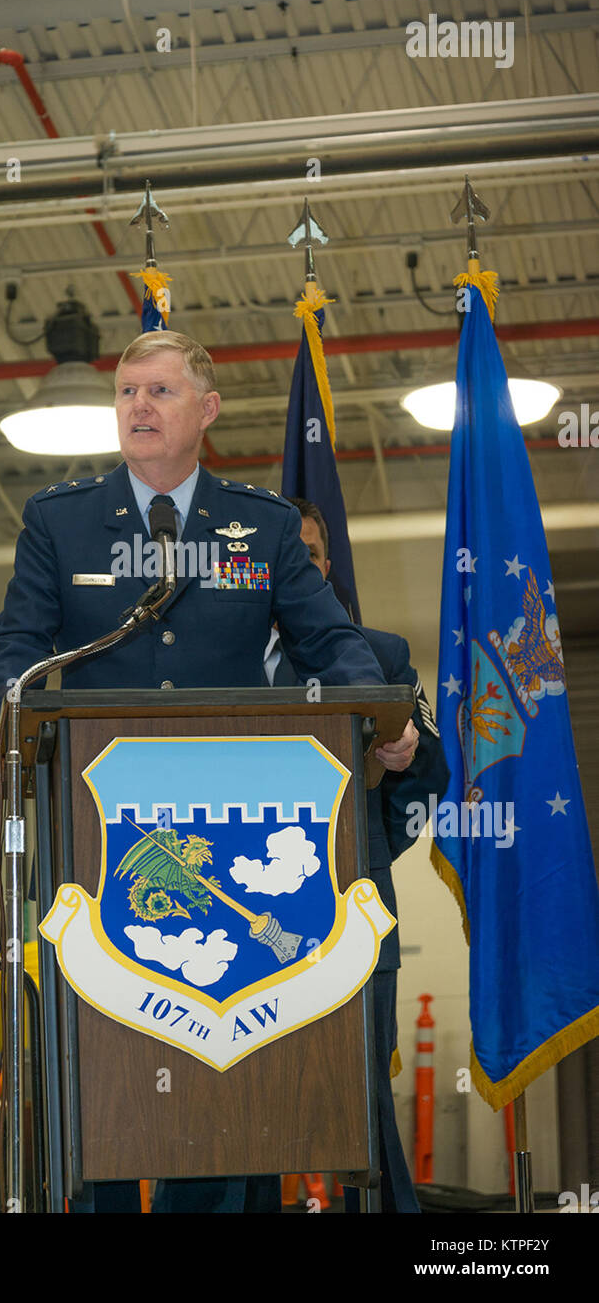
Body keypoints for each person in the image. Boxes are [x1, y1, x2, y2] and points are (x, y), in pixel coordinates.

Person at [0, 330, 421, 1212]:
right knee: (104, 1064)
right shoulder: (58, 520)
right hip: (100, 835)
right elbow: (17, 645)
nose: (138, 407)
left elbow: (328, 639)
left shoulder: (260, 524)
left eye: (160, 392)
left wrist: (379, 718)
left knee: (223, 1073)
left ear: (206, 410)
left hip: (230, 820)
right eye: (128, 391)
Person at [261, 497, 451, 1213]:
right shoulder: (215, 662)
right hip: (237, 922)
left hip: (352, 912)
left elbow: (423, 777)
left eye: (305, 556)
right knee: (235, 1102)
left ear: (324, 564)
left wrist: (362, 854)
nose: (293, 570)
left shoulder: (380, 654)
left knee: (359, 1104)